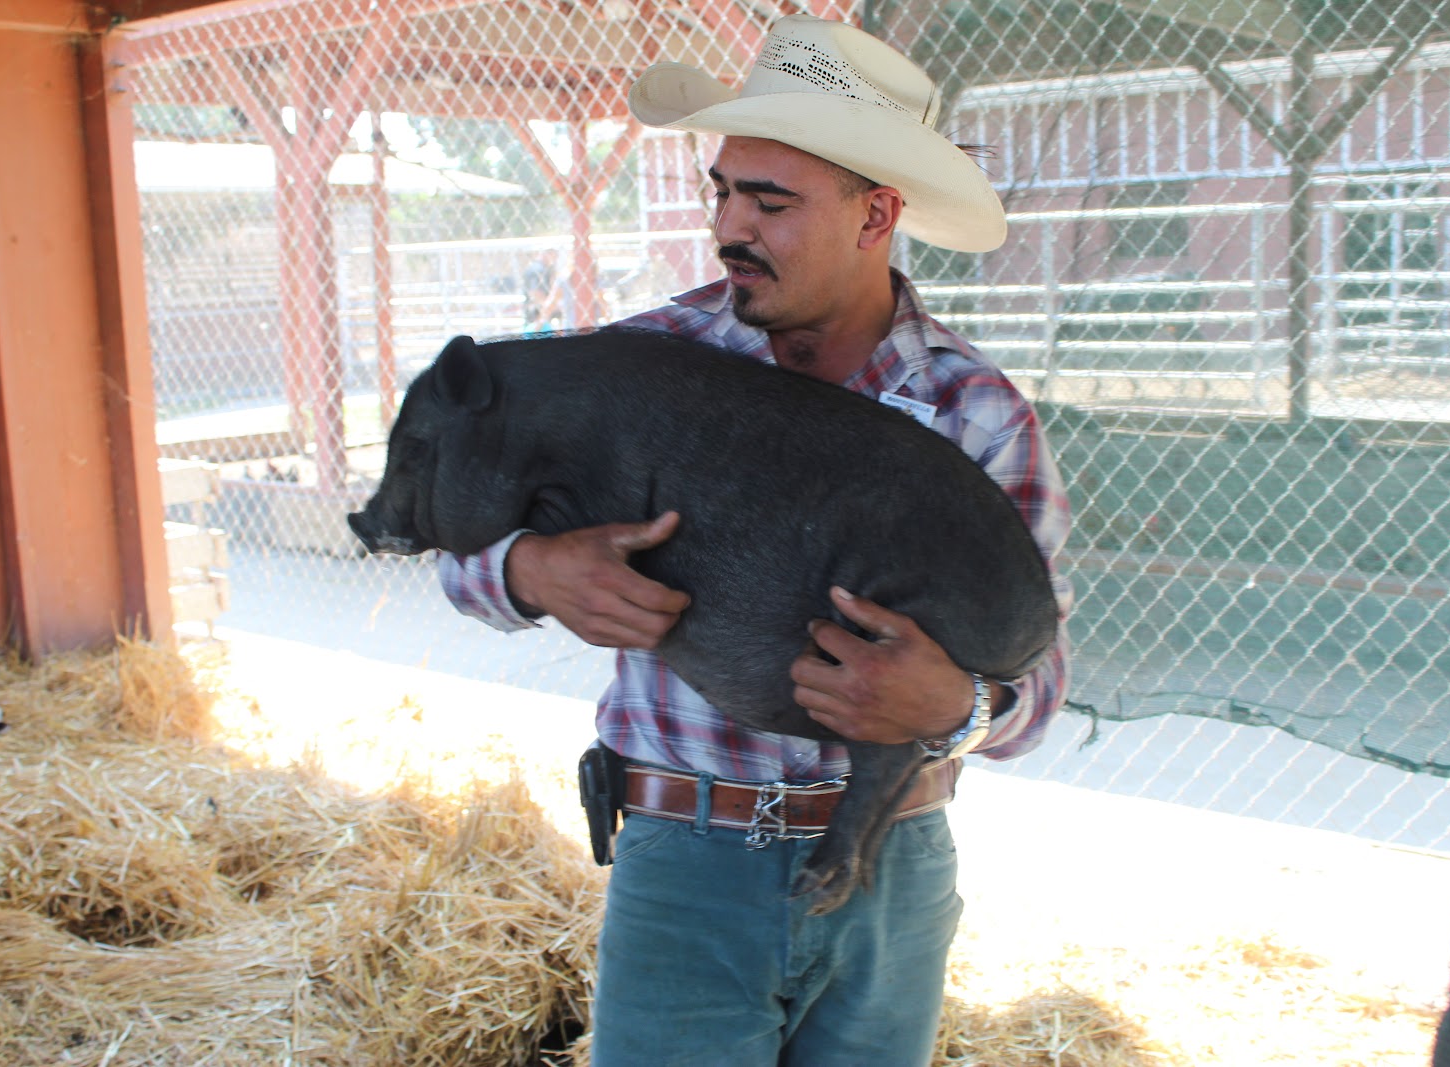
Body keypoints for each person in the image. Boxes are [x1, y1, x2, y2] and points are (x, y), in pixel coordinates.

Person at [439, 14, 1072, 1066]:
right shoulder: (639, 363)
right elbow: (457, 550)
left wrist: (954, 708)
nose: (730, 225)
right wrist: (530, 567)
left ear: (876, 216)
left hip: (892, 858)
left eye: (769, 202)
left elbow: (1039, 690)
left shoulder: (977, 414)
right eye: (721, 190)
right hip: (684, 855)